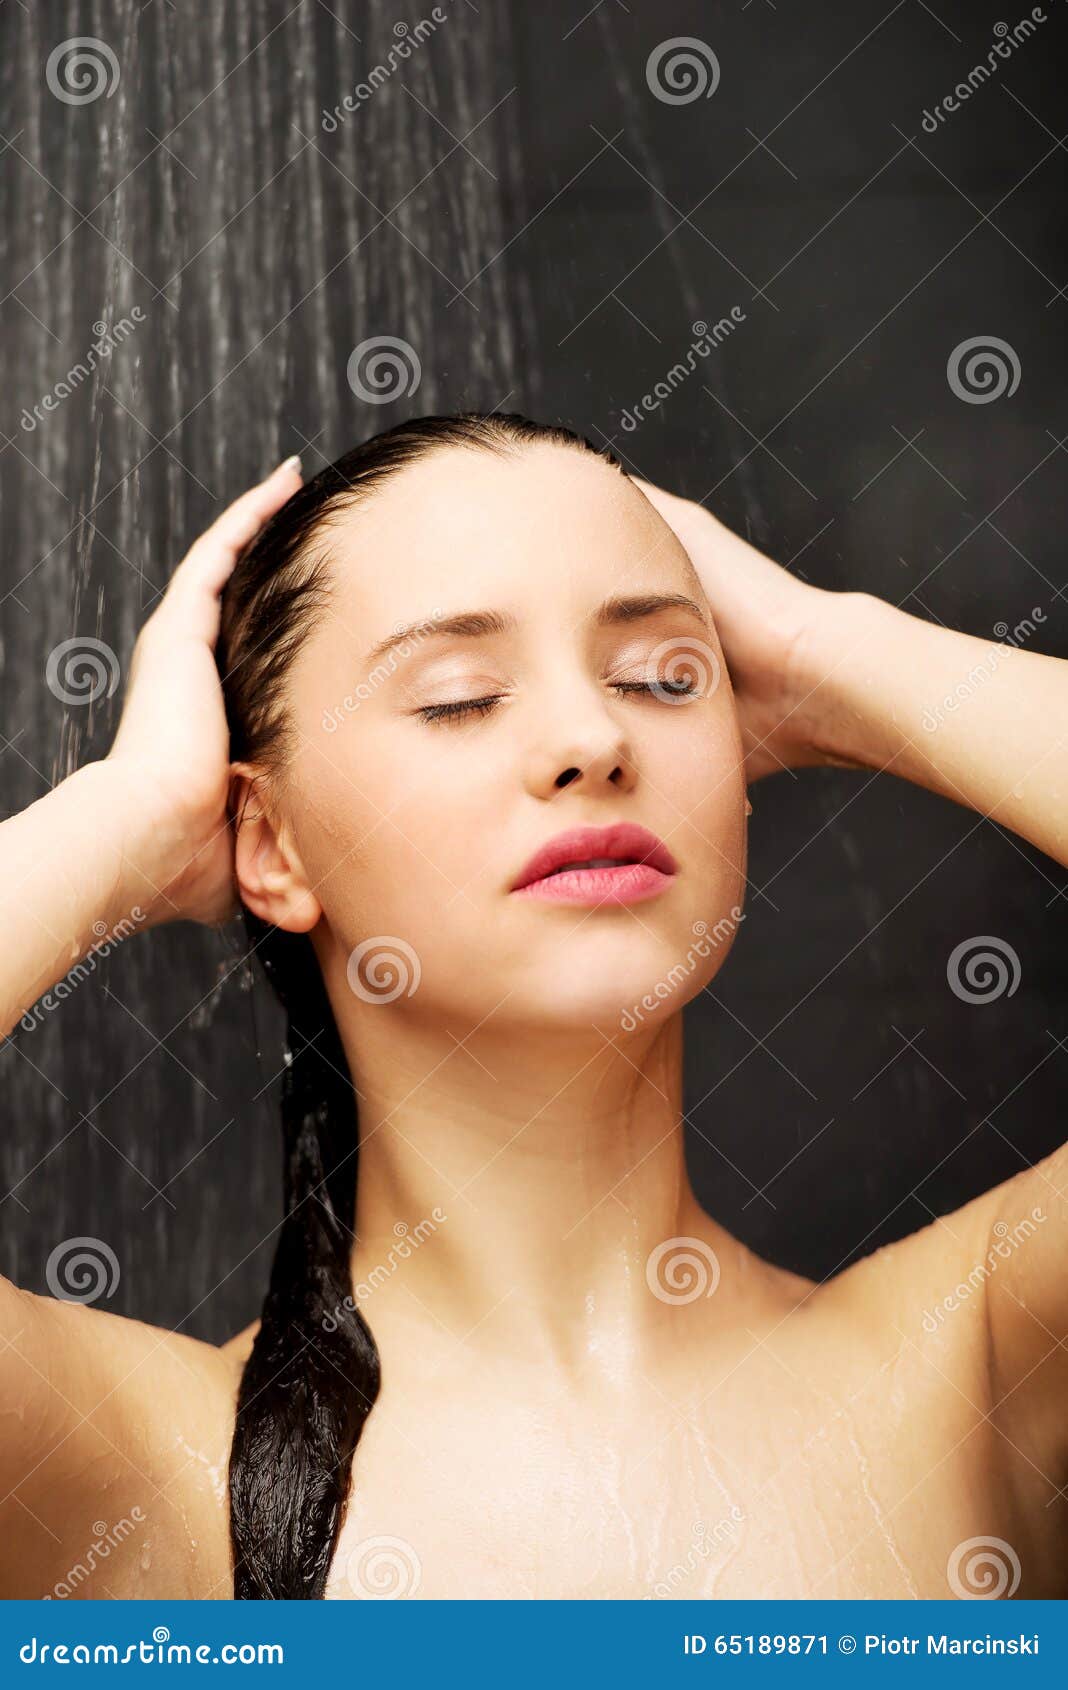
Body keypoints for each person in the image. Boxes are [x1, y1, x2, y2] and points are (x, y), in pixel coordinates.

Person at [1, 413, 1064, 1601]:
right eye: (460, 697)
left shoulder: (976, 1367)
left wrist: (831, 654)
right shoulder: (141, 1469)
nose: (593, 738)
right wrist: (134, 813)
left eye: (662, 677)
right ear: (272, 844)